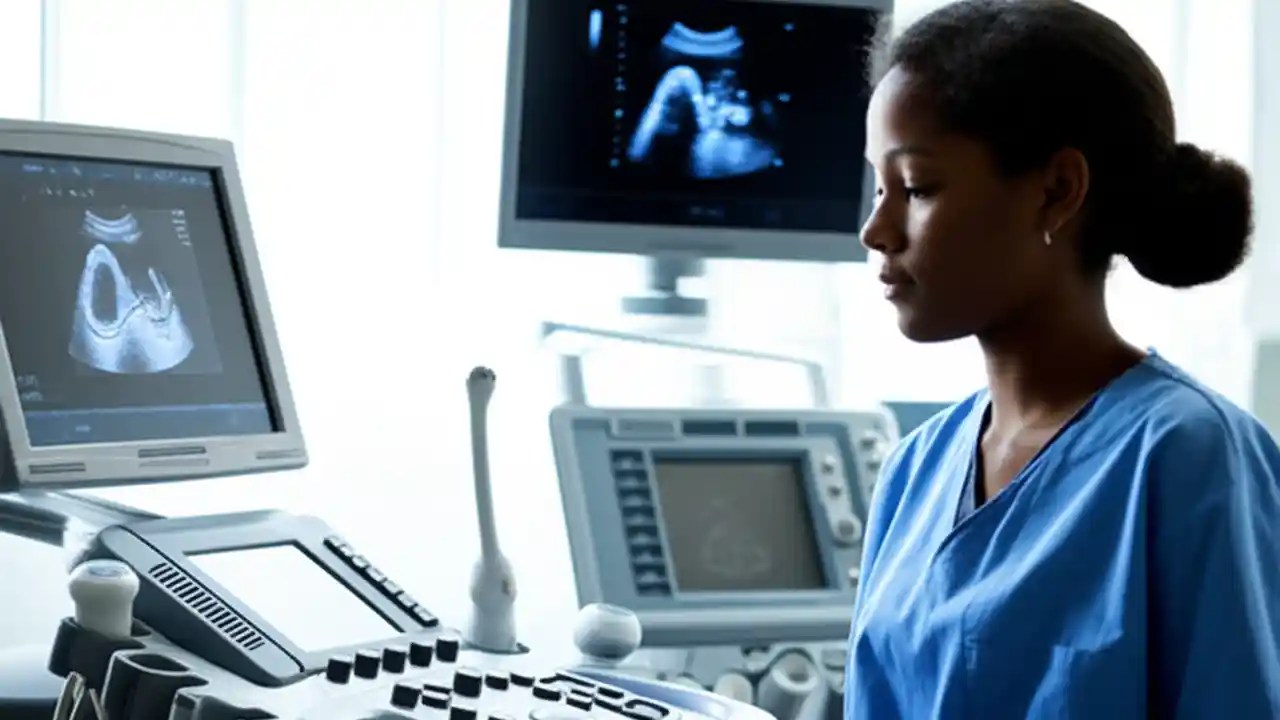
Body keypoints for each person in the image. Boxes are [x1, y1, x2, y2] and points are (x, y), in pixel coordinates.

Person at [845, 1, 1280, 718]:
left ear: (1056, 191)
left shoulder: (1187, 458)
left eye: (917, 188)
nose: (876, 229)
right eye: (879, 186)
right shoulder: (914, 470)